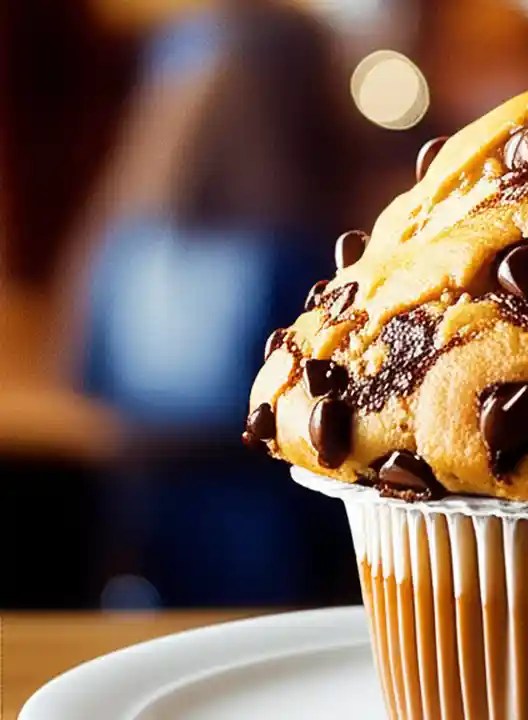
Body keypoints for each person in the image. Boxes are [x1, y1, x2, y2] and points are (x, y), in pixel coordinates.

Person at [73, 0, 359, 606]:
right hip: (280, 573)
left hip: (146, 558)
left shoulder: (124, 243)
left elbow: (86, 377)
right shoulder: (303, 258)